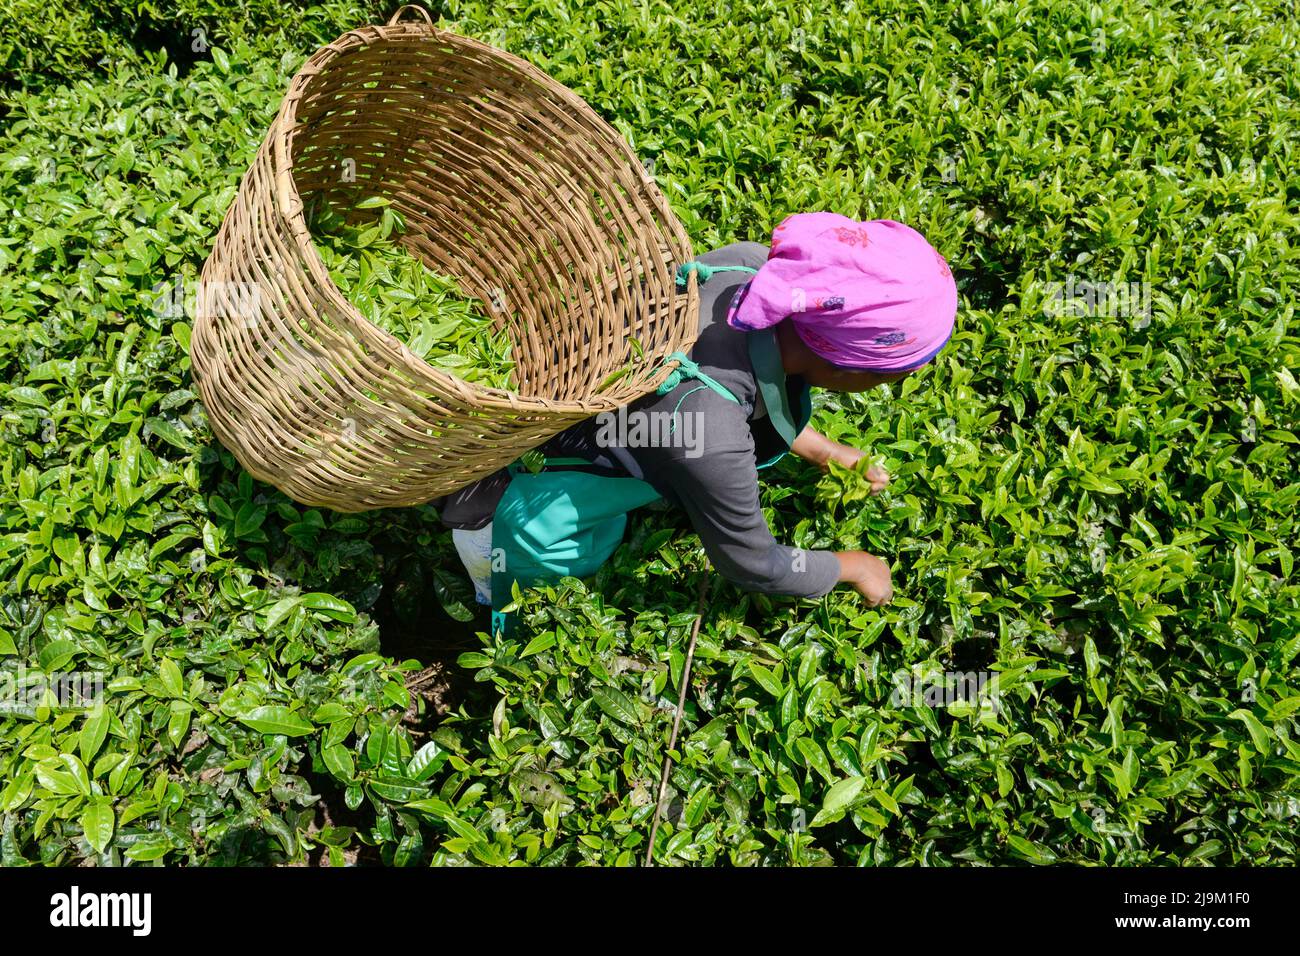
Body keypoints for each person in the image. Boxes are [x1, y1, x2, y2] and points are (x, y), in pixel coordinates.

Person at [433, 212, 958, 633]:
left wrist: (822, 450)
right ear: (844, 367)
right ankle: (491, 602)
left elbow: (748, 375)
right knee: (555, 579)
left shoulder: (748, 270)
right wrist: (853, 565)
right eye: (891, 374)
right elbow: (752, 563)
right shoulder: (708, 432)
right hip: (516, 523)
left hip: (547, 416)